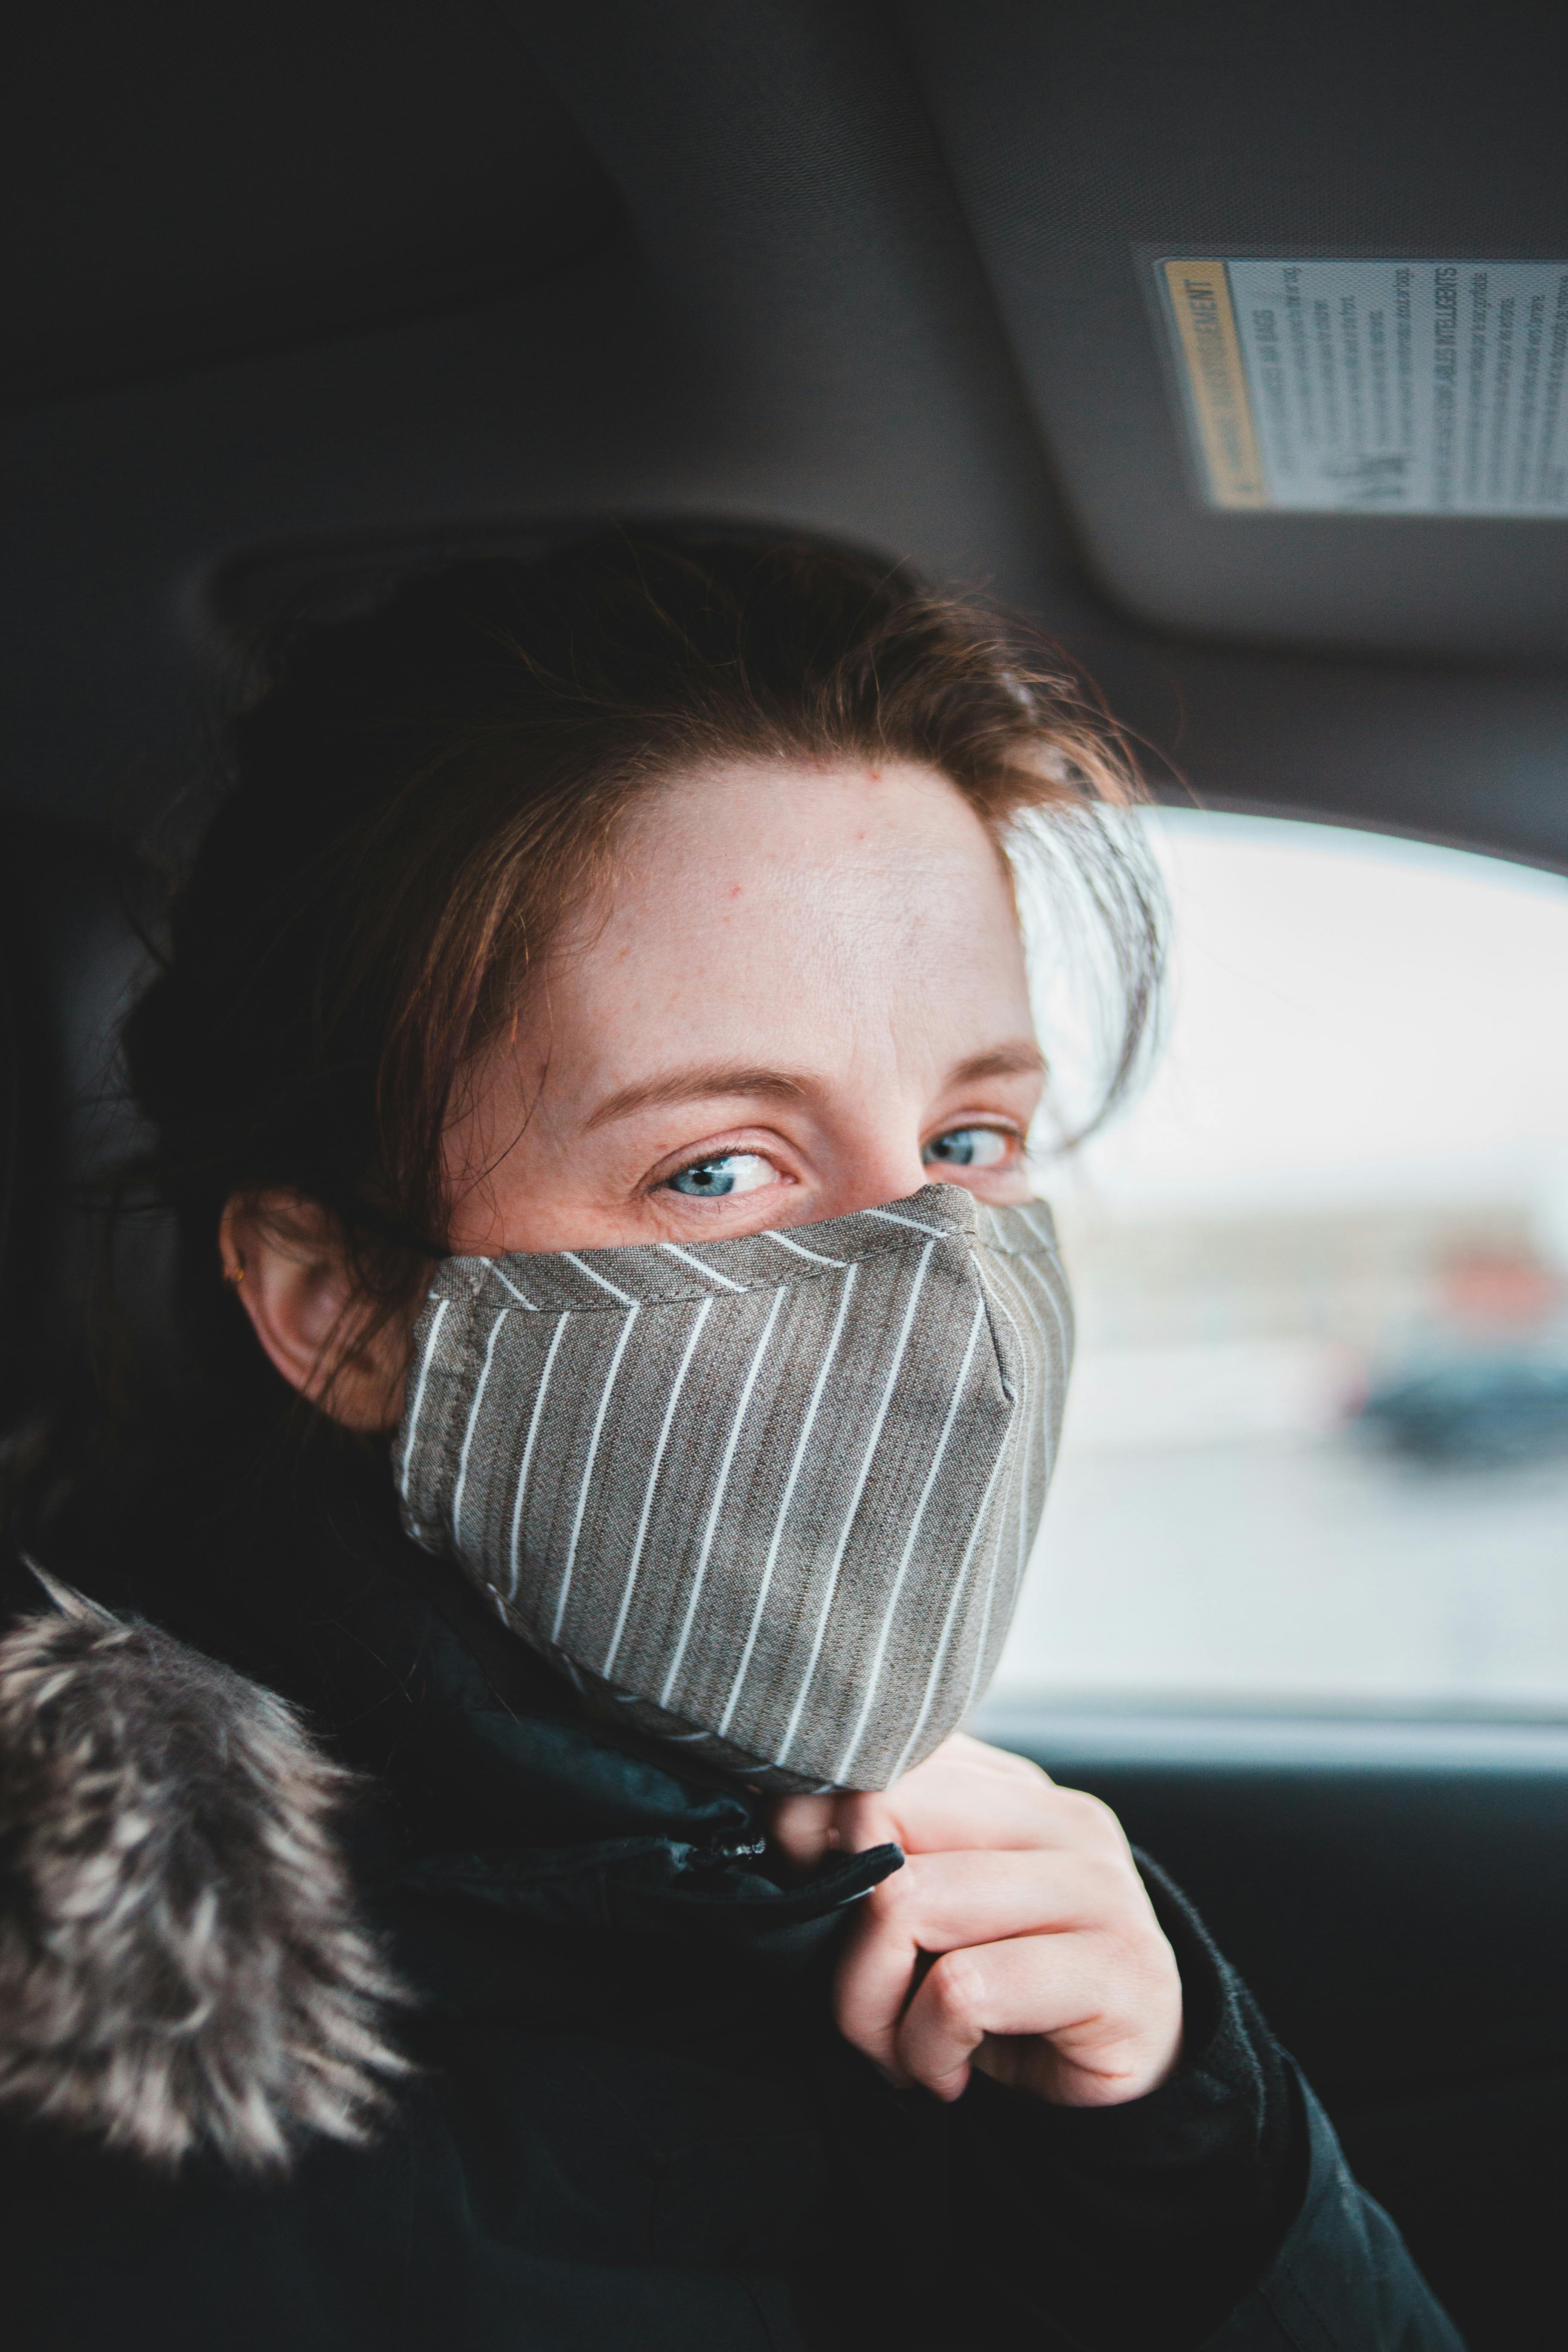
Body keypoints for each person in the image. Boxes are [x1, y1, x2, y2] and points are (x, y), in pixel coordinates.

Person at [0, 533, 1460, 2350]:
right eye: (719, 1167)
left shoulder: (854, 1874)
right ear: (342, 1307)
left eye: (973, 1141)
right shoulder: (147, 2139)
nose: (936, 1290)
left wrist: (1173, 2155)